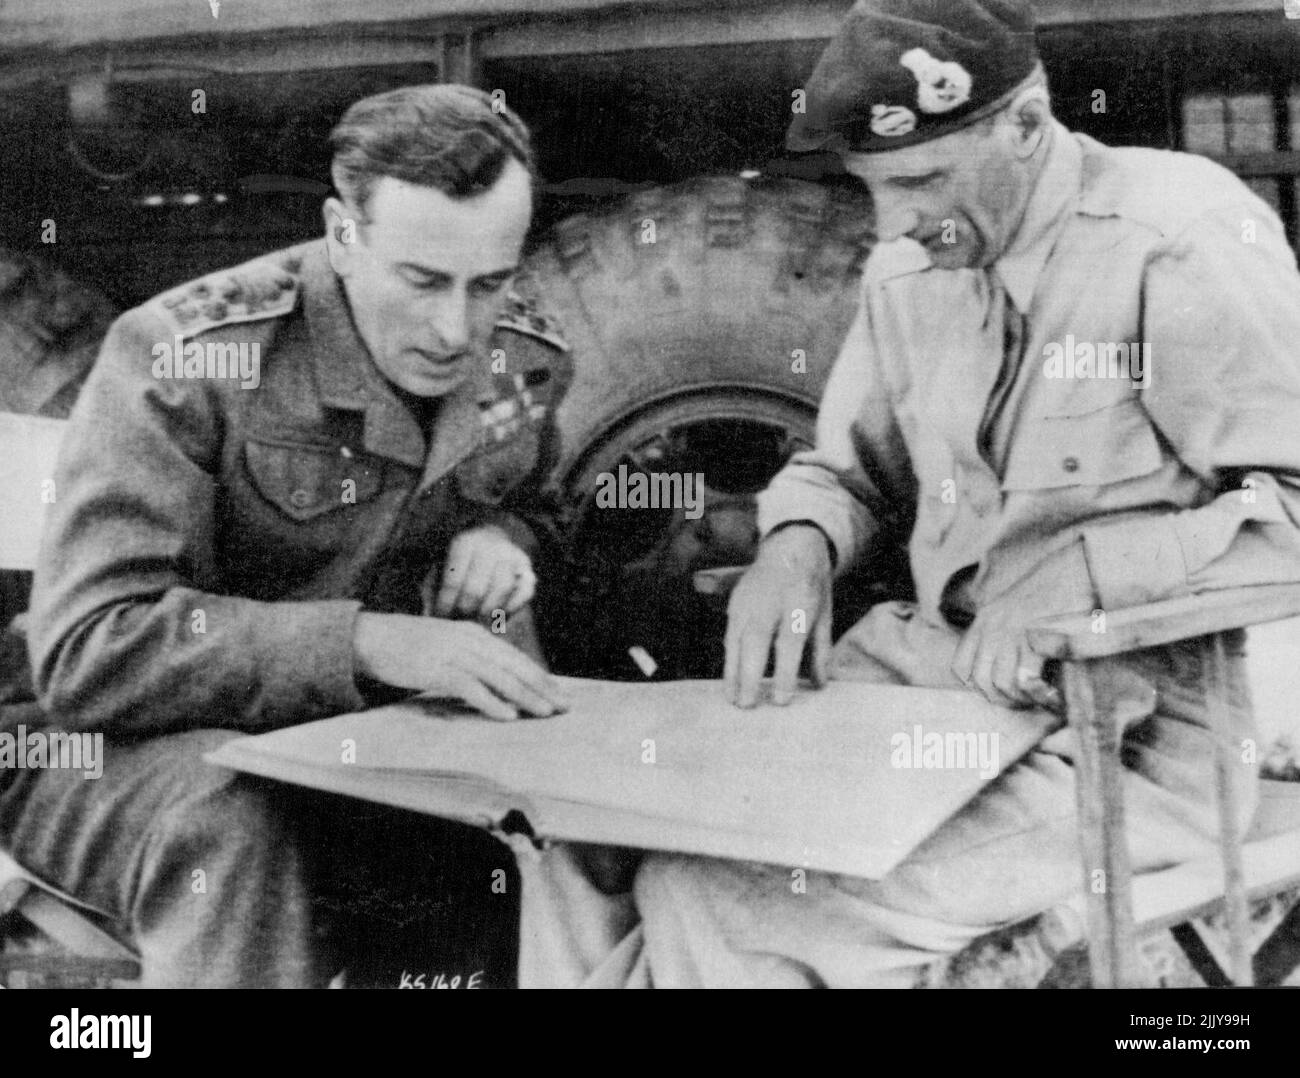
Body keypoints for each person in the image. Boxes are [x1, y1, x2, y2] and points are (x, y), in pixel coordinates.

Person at [518, 0, 1300, 987]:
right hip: (915, 696)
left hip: (1124, 744)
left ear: (1027, 124)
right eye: (872, 188)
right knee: (585, 842)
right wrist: (797, 542)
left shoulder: (1176, 241)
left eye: (921, 180)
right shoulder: (913, 263)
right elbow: (846, 472)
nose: (892, 224)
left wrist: (1087, 583)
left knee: (721, 900)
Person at [0, 83, 572, 987]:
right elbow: (86, 652)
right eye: (421, 281)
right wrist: (369, 641)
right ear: (343, 237)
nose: (456, 328)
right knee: (229, 825)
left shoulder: (524, 358)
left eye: (490, 283)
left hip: (349, 735)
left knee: (509, 836)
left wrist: (505, 538)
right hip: (94, 745)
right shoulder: (190, 357)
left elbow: (539, 499)